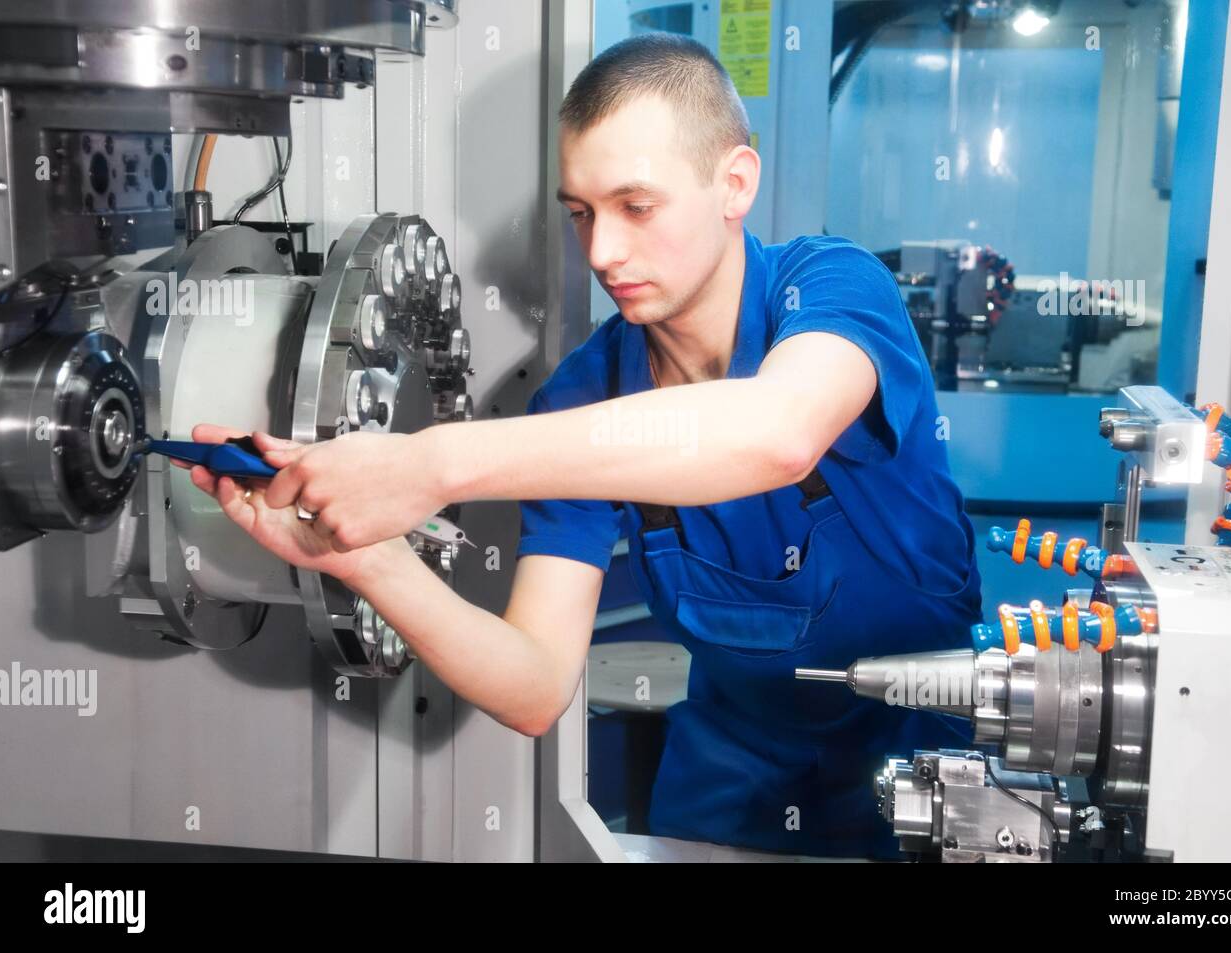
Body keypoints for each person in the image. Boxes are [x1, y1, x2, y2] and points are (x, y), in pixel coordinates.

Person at [187, 33, 981, 858]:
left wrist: (431, 462)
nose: (602, 252)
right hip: (730, 789)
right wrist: (362, 558)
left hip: (927, 770)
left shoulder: (831, 286)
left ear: (733, 184)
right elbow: (534, 684)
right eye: (581, 213)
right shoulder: (583, 391)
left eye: (637, 207)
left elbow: (777, 433)